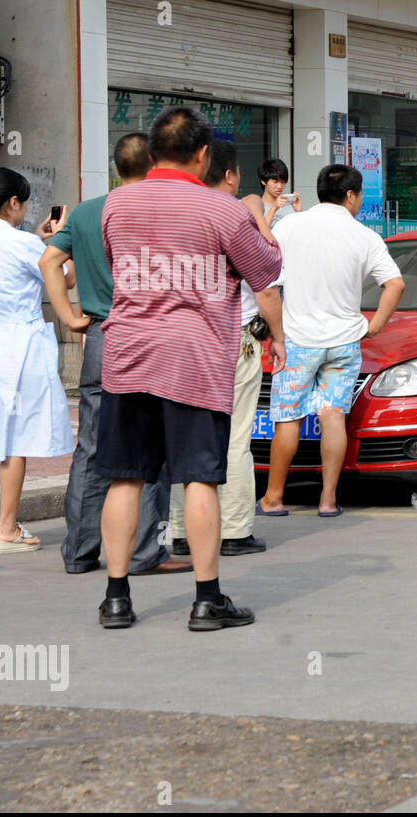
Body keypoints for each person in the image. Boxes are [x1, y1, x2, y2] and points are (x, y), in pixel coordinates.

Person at [96, 106, 282, 631]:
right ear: (203, 155)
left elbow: (119, 265)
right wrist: (258, 219)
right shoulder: (222, 211)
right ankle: (206, 600)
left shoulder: (116, 204)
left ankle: (116, 597)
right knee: (199, 478)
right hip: (194, 360)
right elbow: (266, 270)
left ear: (153, 152)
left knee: (125, 478)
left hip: (128, 356)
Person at [41, 133, 191, 576]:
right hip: (151, 336)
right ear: (152, 162)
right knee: (152, 448)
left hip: (102, 336)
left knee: (90, 445)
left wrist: (68, 317)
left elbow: (49, 262)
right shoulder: (159, 209)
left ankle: (79, 551)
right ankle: (146, 551)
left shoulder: (87, 211)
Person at [256, 164, 404, 517]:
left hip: (296, 341)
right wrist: (375, 326)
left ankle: (274, 498)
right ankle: (327, 500)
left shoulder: (289, 225)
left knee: (288, 418)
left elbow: (268, 282)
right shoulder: (364, 236)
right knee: (333, 416)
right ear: (351, 196)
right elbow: (395, 284)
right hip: (343, 342)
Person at [166, 139, 270, 558]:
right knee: (235, 437)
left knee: (183, 438)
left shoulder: (175, 213)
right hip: (233, 337)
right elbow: (268, 275)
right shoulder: (235, 216)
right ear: (229, 174)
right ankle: (233, 530)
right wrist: (259, 214)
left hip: (181, 338)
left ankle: (178, 531)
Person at [0, 168, 76, 553]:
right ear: (13, 203)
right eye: (24, 202)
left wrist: (38, 242)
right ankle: (8, 528)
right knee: (15, 439)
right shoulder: (24, 245)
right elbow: (65, 279)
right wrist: (63, 242)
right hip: (20, 343)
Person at [245, 158, 301, 229]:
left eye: (283, 182)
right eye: (275, 182)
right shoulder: (255, 208)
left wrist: (298, 212)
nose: (279, 186)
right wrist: (274, 208)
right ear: (263, 181)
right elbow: (257, 234)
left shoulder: (290, 207)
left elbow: (299, 233)